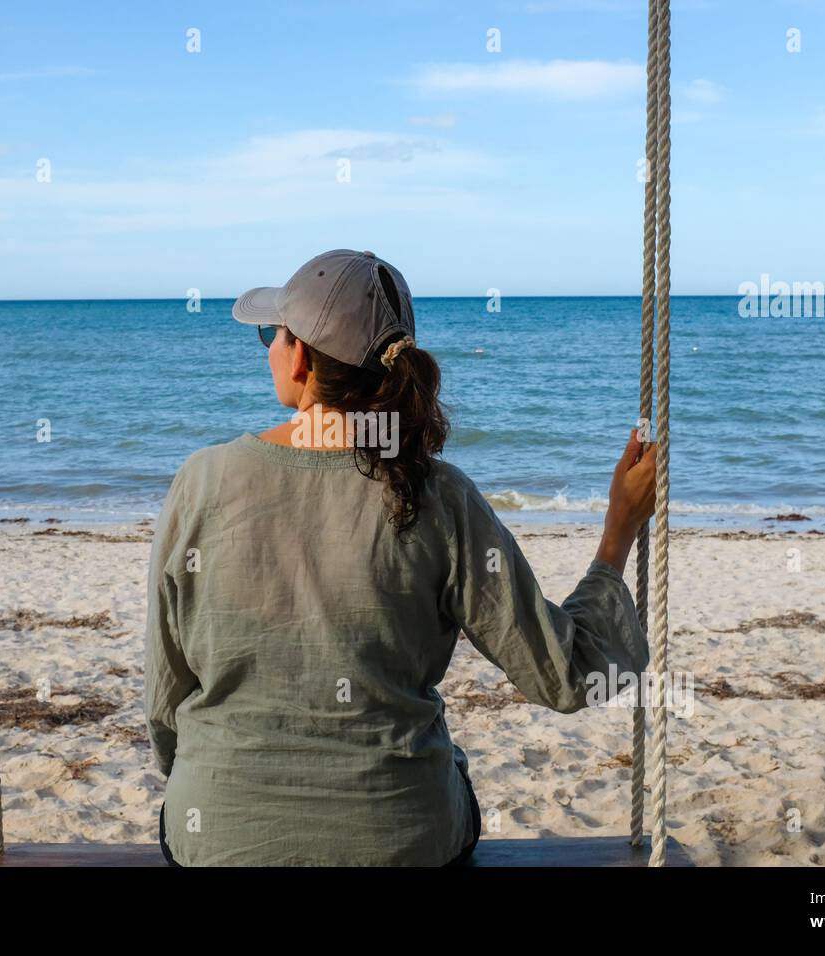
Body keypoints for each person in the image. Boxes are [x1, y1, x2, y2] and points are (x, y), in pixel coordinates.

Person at [146, 249, 656, 866]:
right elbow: (569, 675)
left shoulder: (200, 482)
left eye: (270, 335)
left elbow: (166, 698)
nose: (270, 350)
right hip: (401, 840)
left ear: (301, 356)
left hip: (220, 834)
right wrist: (618, 531)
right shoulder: (437, 495)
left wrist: (207, 782)